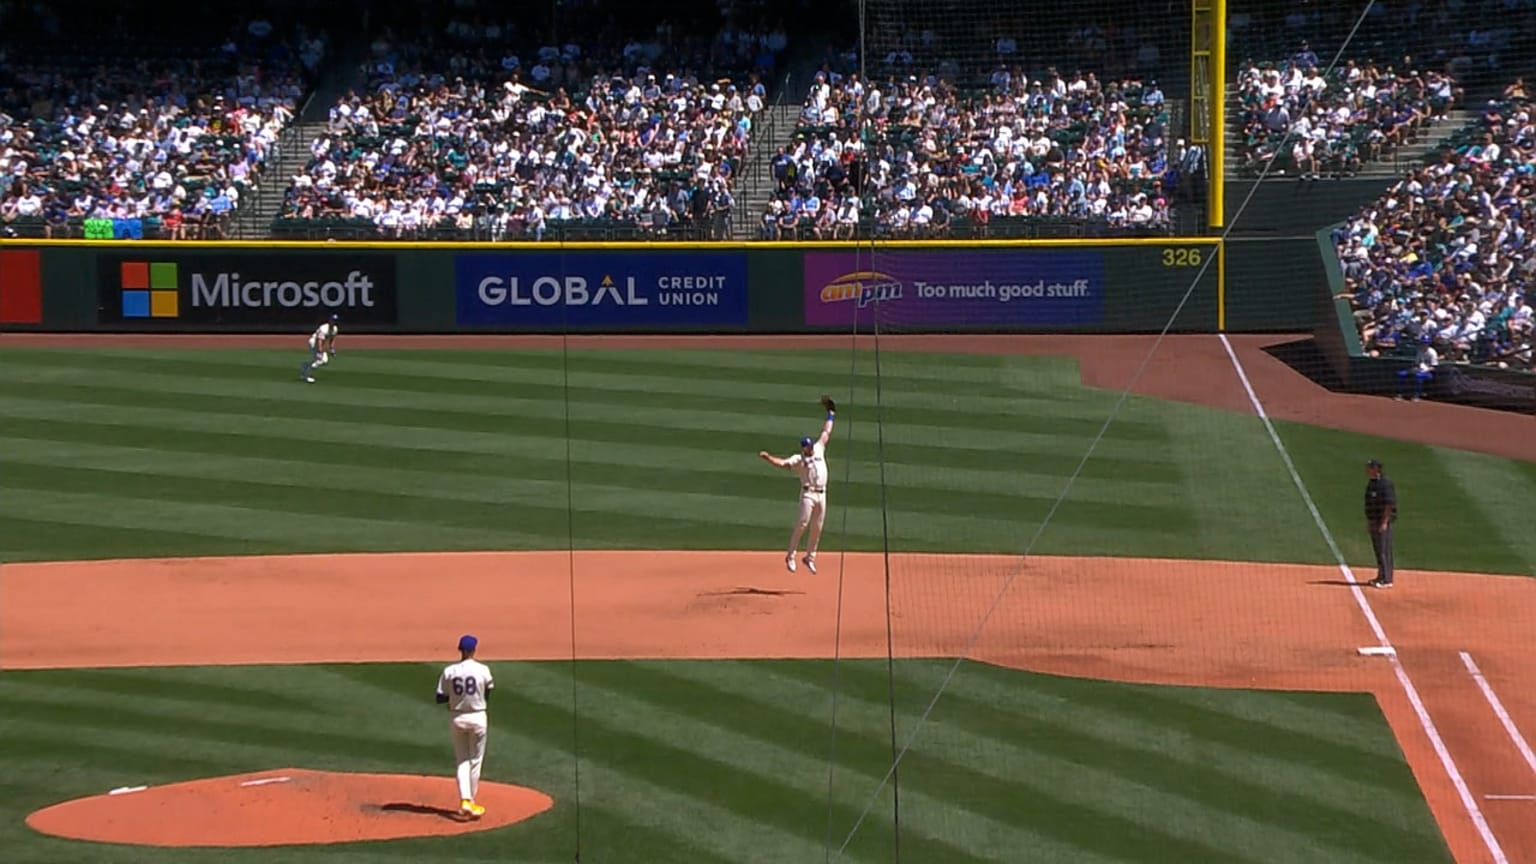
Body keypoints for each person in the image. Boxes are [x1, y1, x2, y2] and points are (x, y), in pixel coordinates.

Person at [758, 397, 837, 573]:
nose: (809, 448)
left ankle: (809, 558)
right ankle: (790, 556)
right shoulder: (798, 460)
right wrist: (768, 458)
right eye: (807, 447)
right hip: (808, 494)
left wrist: (831, 414)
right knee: (802, 524)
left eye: (810, 446)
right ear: (803, 448)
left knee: (817, 527)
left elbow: (826, 432)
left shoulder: (819, 448)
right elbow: (782, 464)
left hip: (822, 494)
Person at [436, 634, 495, 818]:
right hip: (478, 717)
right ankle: (471, 801)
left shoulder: (450, 671)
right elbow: (489, 692)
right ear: (474, 650)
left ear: (460, 650)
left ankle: (465, 799)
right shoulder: (483, 669)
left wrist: (454, 699)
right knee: (475, 760)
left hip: (457, 718)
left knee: (462, 760)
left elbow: (439, 697)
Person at [1364, 459, 1397, 588]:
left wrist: (1384, 522)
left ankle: (1387, 579)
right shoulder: (1372, 483)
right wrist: (1369, 520)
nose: (1367, 469)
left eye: (1370, 467)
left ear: (1376, 469)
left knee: (1384, 550)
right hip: (1374, 521)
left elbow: (1389, 505)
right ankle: (1381, 575)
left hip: (1382, 522)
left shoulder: (1385, 484)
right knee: (1378, 551)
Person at [1395, 333, 1438, 401]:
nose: (1424, 344)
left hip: (1428, 372)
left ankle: (1416, 395)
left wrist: (1425, 370)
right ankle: (1400, 394)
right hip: (1418, 369)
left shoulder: (1432, 352)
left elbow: (1434, 367)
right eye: (1423, 343)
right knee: (1401, 374)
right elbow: (1416, 363)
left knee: (1418, 376)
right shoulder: (1419, 350)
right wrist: (1414, 368)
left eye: (1426, 343)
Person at [300, 313, 339, 383]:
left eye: (335, 321)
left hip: (319, 344)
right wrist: (320, 352)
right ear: (329, 320)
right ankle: (305, 376)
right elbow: (319, 341)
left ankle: (305, 366)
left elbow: (332, 339)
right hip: (314, 343)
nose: (334, 322)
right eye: (333, 320)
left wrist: (331, 349)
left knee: (323, 361)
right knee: (320, 360)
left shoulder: (335, 329)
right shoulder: (324, 328)